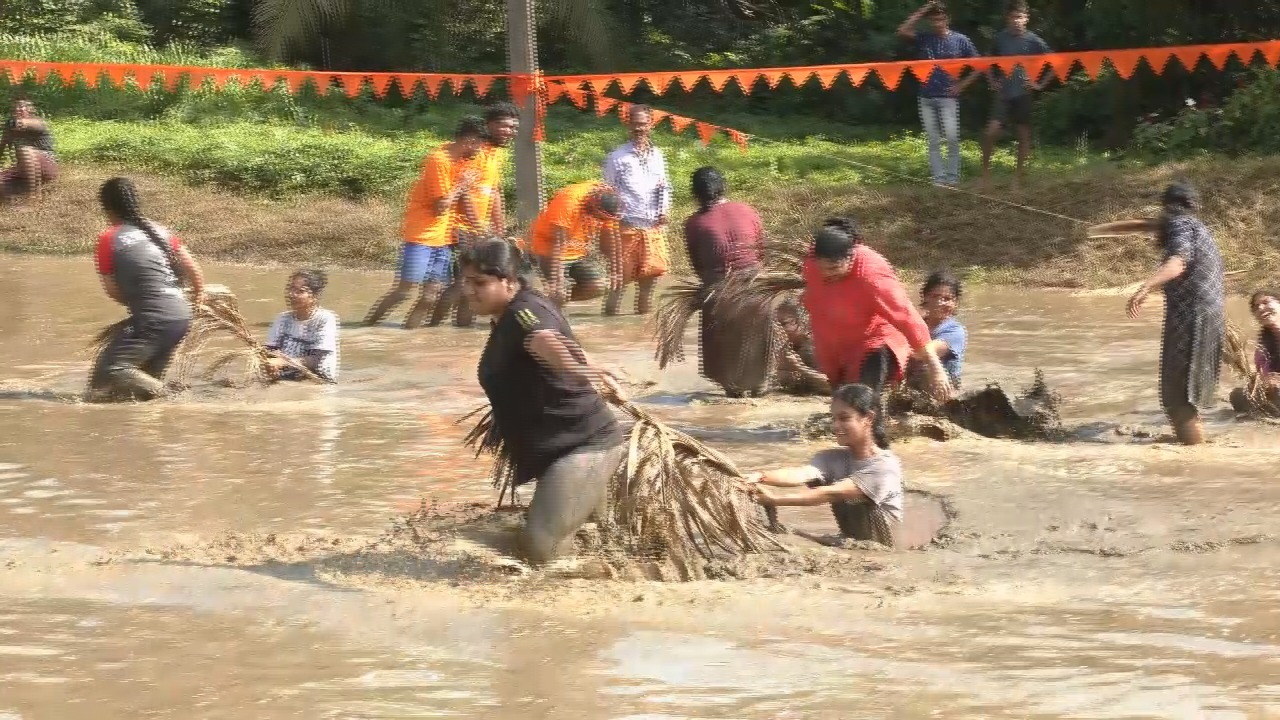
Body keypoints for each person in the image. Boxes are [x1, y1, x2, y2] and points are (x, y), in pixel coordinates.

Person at [460, 239, 626, 565]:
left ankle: (572, 604)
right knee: (595, 540)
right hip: (561, 448)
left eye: (479, 283)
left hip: (583, 446)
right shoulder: (514, 312)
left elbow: (544, 341)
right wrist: (585, 364)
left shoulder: (524, 311)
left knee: (541, 545)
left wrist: (579, 369)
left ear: (508, 281)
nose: (468, 290)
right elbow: (554, 341)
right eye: (465, 281)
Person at [1091, 182, 1225, 445]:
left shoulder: (1181, 225)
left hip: (1191, 319)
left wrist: (1147, 285)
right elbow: (1151, 226)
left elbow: (1178, 261)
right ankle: (1196, 452)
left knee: (1176, 398)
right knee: (1186, 396)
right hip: (1210, 318)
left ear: (1167, 207)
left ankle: (1194, 459)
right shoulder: (1198, 228)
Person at [801, 218, 952, 447]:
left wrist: (935, 367)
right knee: (843, 407)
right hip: (834, 343)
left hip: (875, 340)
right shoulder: (812, 265)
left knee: (863, 402)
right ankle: (849, 457)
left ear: (851, 257)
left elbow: (905, 316)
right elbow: (816, 306)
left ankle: (880, 454)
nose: (828, 275)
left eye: (834, 269)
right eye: (823, 269)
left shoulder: (871, 272)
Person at [364, 117, 488, 329]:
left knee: (431, 296)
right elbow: (441, 205)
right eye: (480, 144)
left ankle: (410, 336)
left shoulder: (459, 160)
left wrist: (480, 228)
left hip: (443, 239)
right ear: (470, 140)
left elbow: (464, 199)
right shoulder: (439, 160)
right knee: (404, 291)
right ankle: (366, 328)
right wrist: (462, 184)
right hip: (421, 237)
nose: (481, 151)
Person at [744, 384, 905, 547]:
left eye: (844, 418)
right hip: (851, 543)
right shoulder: (830, 458)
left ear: (868, 418)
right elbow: (801, 474)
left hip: (885, 551)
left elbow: (831, 493)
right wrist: (760, 476)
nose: (835, 426)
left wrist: (775, 500)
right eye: (833, 418)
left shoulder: (885, 467)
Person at [90, 177, 205, 400]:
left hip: (154, 319)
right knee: (142, 393)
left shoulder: (108, 238)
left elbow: (112, 290)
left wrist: (141, 302)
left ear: (107, 208)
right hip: (181, 317)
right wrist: (198, 296)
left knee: (113, 368)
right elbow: (193, 269)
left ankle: (176, 399)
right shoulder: (160, 230)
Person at [682, 166, 769, 397]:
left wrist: (711, 287)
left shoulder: (694, 223)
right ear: (723, 187)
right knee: (758, 335)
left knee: (721, 344)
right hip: (756, 285)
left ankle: (734, 390)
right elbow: (762, 251)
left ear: (695, 193)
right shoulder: (747, 210)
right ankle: (760, 384)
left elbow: (698, 264)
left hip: (720, 290)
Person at [434, 103, 522, 329]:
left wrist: (499, 229)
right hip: (461, 227)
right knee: (462, 283)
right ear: (489, 125)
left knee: (473, 283)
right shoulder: (474, 152)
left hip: (479, 228)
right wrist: (478, 227)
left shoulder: (495, 154)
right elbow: (464, 194)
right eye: (504, 126)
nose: (509, 131)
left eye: (513, 127)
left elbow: (494, 192)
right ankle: (432, 328)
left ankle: (461, 330)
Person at [897, 1, 980, 187]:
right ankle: (938, 178)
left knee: (951, 137)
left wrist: (963, 84)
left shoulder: (961, 40)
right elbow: (902, 30)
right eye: (933, 20)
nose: (937, 23)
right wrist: (925, 9)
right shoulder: (924, 38)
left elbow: (979, 66)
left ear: (947, 19)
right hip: (926, 96)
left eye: (940, 19)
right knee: (933, 140)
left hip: (948, 97)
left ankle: (953, 177)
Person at [602, 105, 671, 316]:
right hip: (625, 227)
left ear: (651, 125)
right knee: (618, 283)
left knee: (648, 285)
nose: (639, 128)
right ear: (628, 124)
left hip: (652, 227)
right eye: (635, 124)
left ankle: (642, 327)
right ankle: (610, 326)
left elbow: (664, 185)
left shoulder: (658, 155)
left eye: (643, 124)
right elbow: (606, 192)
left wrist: (664, 209)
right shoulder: (617, 157)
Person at [981, 0, 1053, 187]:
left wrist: (1040, 84)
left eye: (1020, 16)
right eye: (1013, 17)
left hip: (1024, 94)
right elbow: (986, 61)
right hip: (1004, 93)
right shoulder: (1000, 38)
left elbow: (1056, 63)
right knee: (990, 132)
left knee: (1023, 135)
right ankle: (985, 176)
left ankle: (1018, 178)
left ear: (1026, 18)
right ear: (1007, 18)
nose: (1017, 20)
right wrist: (991, 81)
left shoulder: (1035, 40)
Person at [528, 181, 621, 307]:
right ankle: (549, 306)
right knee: (560, 291)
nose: (598, 221)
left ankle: (544, 303)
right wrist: (558, 281)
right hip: (548, 248)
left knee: (600, 285)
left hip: (577, 252)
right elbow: (557, 243)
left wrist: (615, 271)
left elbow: (609, 239)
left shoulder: (608, 200)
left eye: (602, 219)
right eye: (596, 217)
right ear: (591, 205)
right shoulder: (569, 200)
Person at [265, 269, 340, 382]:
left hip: (318, 381)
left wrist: (283, 362)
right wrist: (268, 363)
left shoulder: (325, 319)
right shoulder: (282, 319)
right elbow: (270, 350)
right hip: (285, 377)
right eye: (292, 289)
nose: (292, 295)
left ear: (315, 296)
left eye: (300, 291)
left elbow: (316, 360)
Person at [911, 270, 967, 388]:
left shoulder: (955, 331)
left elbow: (927, 351)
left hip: (944, 389)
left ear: (955, 303)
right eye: (935, 296)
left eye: (947, 299)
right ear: (925, 297)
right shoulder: (916, 323)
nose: (940, 303)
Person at [1229, 289, 1280, 413]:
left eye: (1266, 302)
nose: (1261, 308)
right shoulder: (1263, 348)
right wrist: (1259, 384)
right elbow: (1264, 376)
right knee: (1238, 395)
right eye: (1256, 307)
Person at [0, 99, 59, 201]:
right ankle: (11, 198)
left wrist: (11, 124)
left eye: (21, 107)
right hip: (23, 170)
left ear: (30, 110)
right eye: (15, 108)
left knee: (25, 150)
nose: (17, 109)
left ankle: (33, 196)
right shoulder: (10, 129)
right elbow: (2, 148)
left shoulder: (38, 123)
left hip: (46, 166)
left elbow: (22, 123)